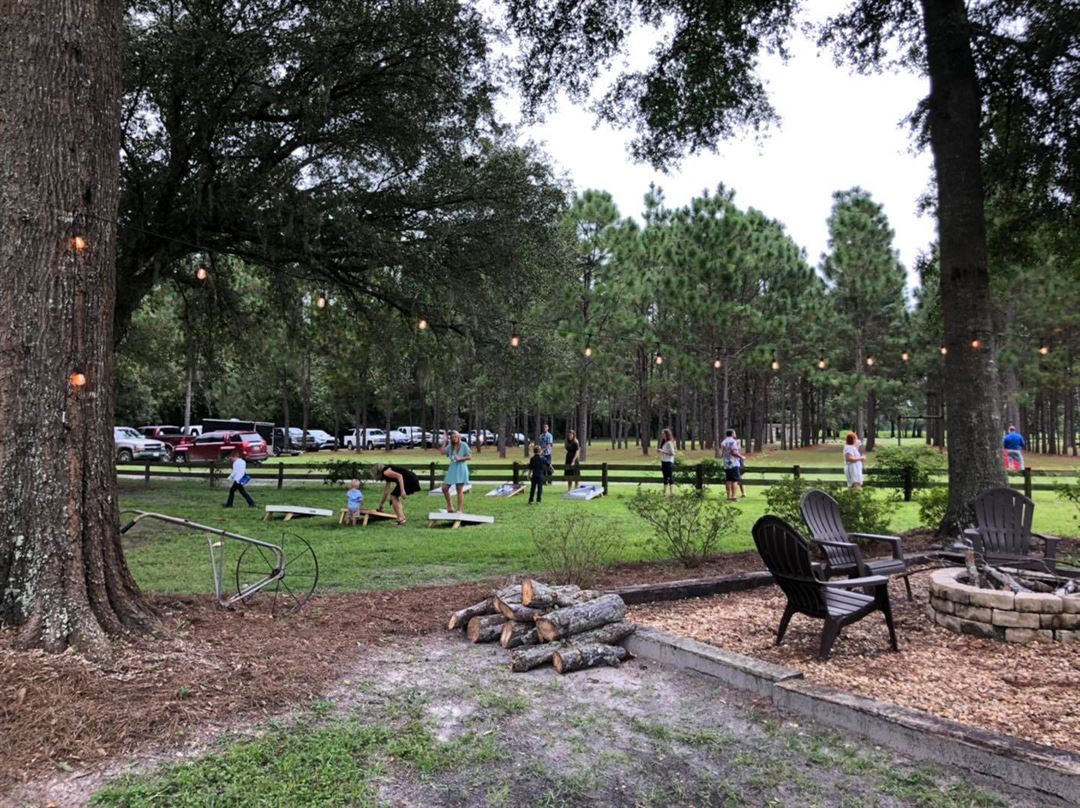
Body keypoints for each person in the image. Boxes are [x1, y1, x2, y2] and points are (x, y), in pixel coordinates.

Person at [442, 430, 472, 513]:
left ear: (459, 437)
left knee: (459, 489)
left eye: (455, 437)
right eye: (452, 437)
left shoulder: (463, 445)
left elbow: (469, 457)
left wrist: (461, 458)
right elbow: (442, 452)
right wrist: (445, 441)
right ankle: (450, 506)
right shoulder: (450, 446)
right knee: (444, 488)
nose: (454, 438)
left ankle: (459, 510)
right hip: (452, 469)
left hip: (461, 468)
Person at [719, 429, 744, 501]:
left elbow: (722, 453)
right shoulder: (733, 441)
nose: (735, 434)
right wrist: (741, 457)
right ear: (732, 434)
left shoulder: (723, 442)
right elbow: (734, 452)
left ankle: (728, 496)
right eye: (734, 433)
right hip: (733, 462)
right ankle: (734, 496)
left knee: (728, 480)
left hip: (726, 463)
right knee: (735, 480)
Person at [658, 428, 676, 494]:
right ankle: (664, 493)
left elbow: (673, 453)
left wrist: (663, 451)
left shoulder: (669, 443)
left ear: (667, 434)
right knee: (665, 477)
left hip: (668, 462)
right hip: (664, 461)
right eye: (662, 434)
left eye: (663, 434)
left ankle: (672, 493)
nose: (662, 435)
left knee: (670, 477)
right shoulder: (664, 443)